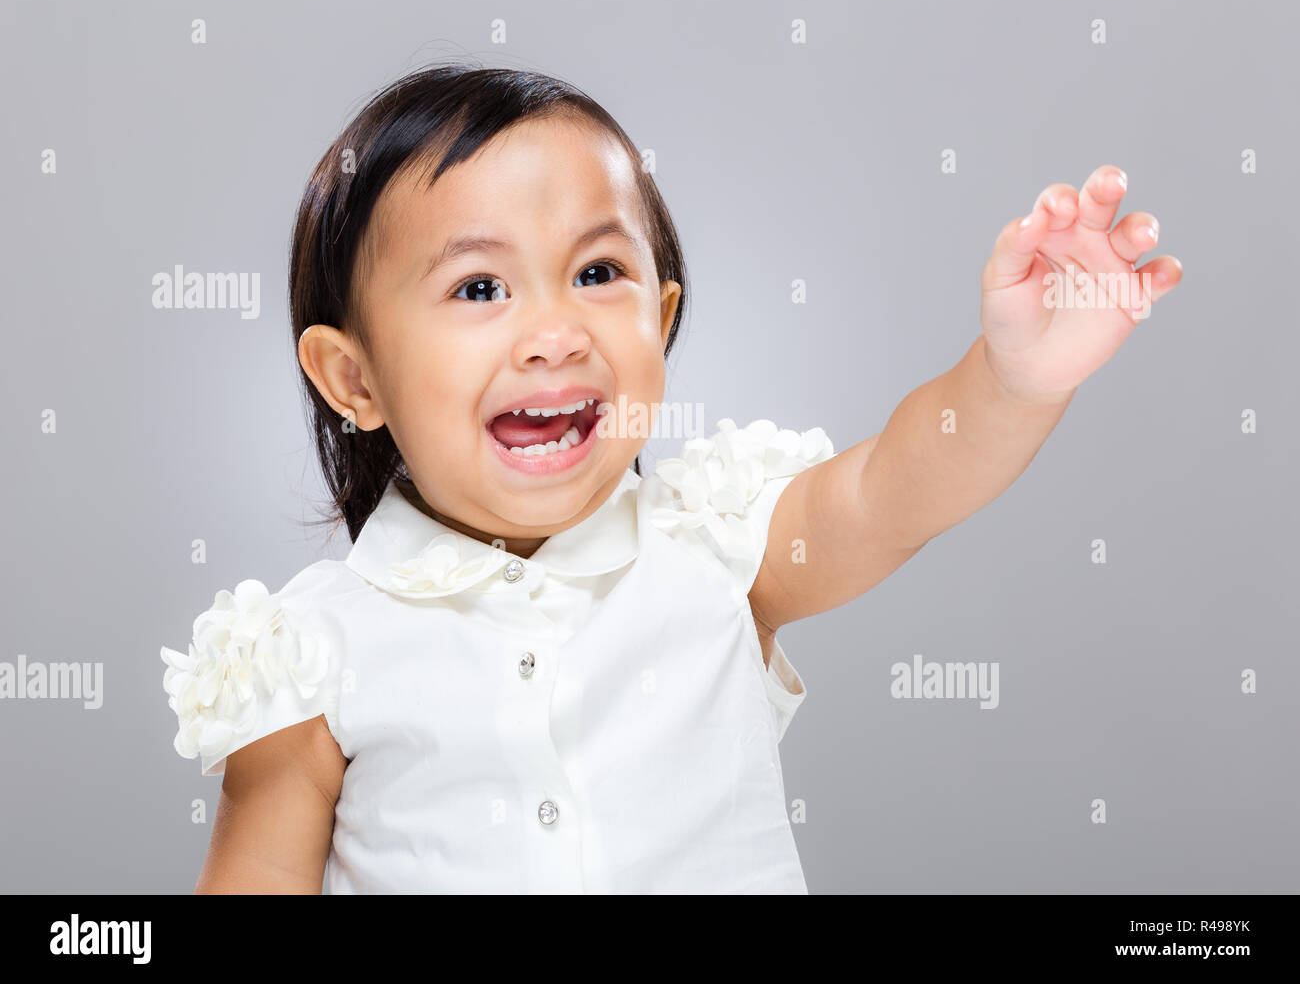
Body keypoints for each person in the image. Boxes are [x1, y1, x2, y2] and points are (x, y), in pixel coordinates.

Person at [160, 63, 1182, 894]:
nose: (555, 334)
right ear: (355, 376)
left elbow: (894, 490)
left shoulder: (716, 543)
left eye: (599, 273)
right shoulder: (310, 652)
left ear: (663, 314)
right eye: (479, 286)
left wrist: (1011, 376)